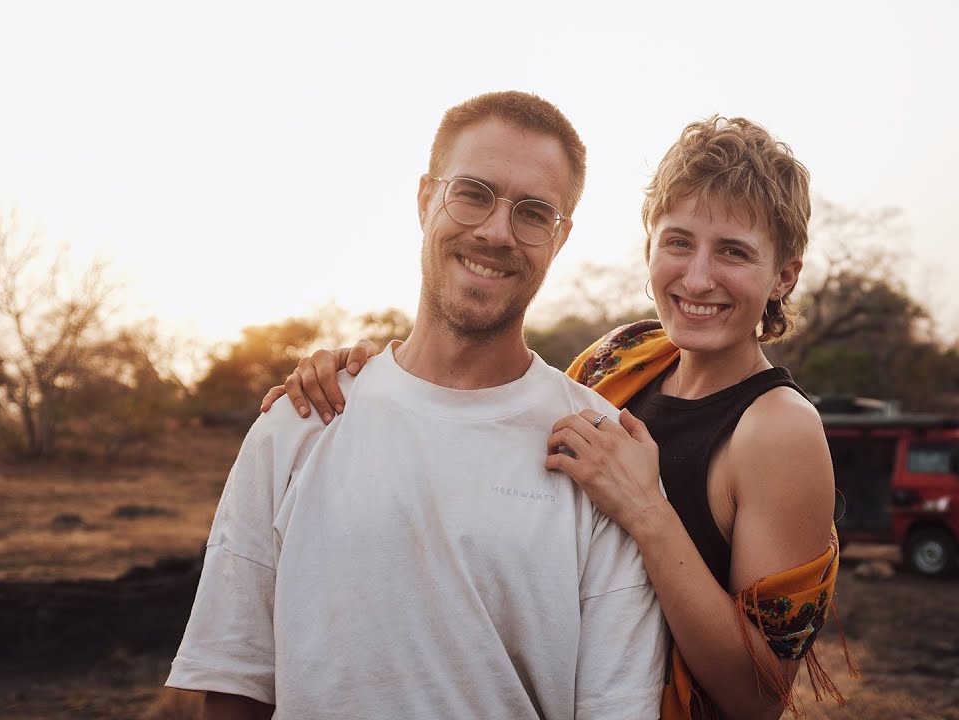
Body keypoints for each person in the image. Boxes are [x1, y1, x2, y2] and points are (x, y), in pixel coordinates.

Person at [264, 116, 858, 719]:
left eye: (733, 252)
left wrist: (648, 512)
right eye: (678, 241)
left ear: (785, 274)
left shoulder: (779, 428)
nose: (698, 277)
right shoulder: (623, 356)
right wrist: (369, 378)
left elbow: (758, 698)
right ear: (650, 244)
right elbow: (506, 436)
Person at [167, 90, 667, 719]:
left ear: (561, 236)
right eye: (473, 193)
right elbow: (236, 686)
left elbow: (616, 707)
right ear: (426, 197)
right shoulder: (298, 424)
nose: (495, 231)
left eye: (534, 212)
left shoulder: (600, 457)